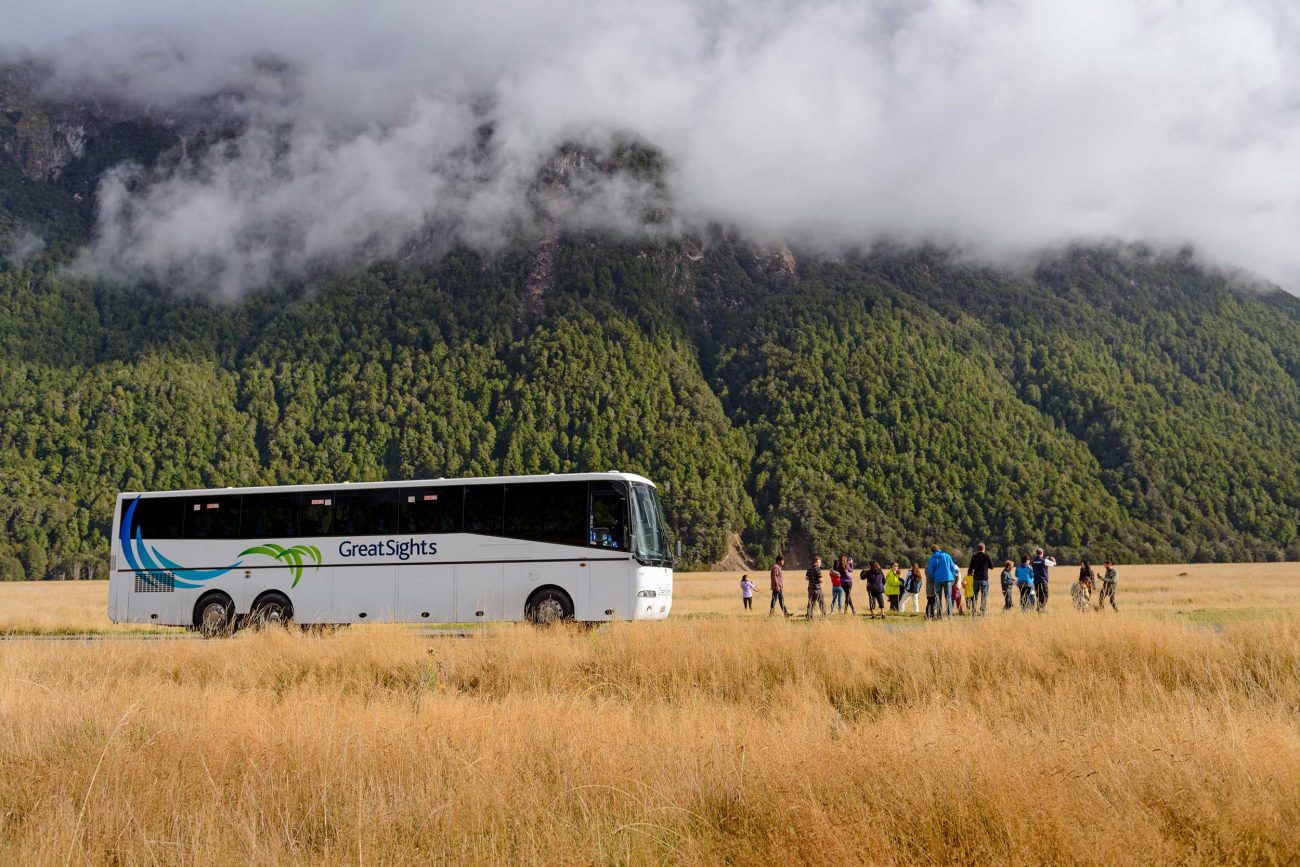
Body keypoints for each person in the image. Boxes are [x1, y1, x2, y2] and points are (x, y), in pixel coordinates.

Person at [927, 545, 957, 618]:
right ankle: (949, 615)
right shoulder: (947, 555)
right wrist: (951, 576)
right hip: (947, 579)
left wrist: (934, 577)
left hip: (937, 580)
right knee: (948, 597)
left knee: (938, 597)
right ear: (939, 549)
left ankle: (939, 615)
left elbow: (930, 571)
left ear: (932, 551)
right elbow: (953, 568)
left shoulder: (932, 558)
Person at [968, 543, 993, 618]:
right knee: (984, 596)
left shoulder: (974, 557)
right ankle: (983, 614)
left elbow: (970, 569)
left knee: (975, 596)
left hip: (976, 579)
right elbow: (991, 567)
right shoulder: (986, 556)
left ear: (977, 549)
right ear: (984, 548)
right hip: (984, 579)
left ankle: (974, 614)